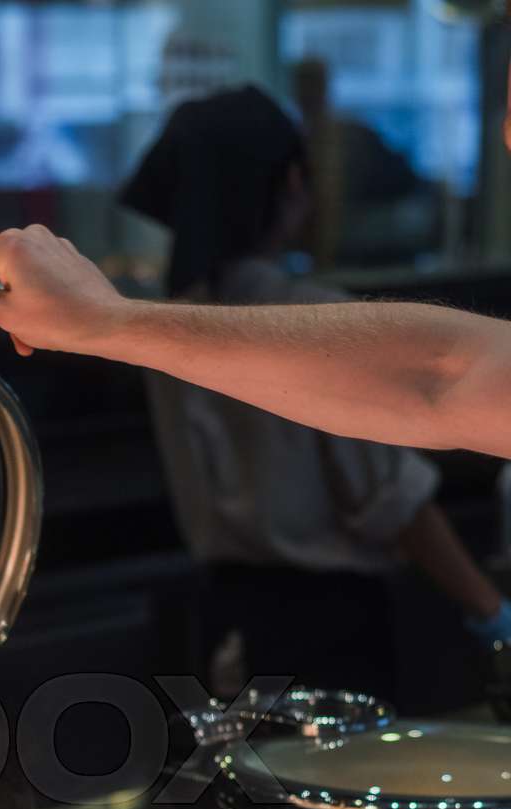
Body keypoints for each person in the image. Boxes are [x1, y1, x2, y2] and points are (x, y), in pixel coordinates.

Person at [0, 77, 511, 809]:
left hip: (253, 615)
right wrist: (108, 321)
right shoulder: (261, 318)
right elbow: (447, 380)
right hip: (285, 612)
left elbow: (446, 382)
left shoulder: (233, 311)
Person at [119, 85, 508, 699]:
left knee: (242, 764)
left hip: (220, 619)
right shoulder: (315, 318)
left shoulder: (164, 324)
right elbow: (392, 502)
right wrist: (491, 611)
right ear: (292, 184)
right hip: (325, 627)